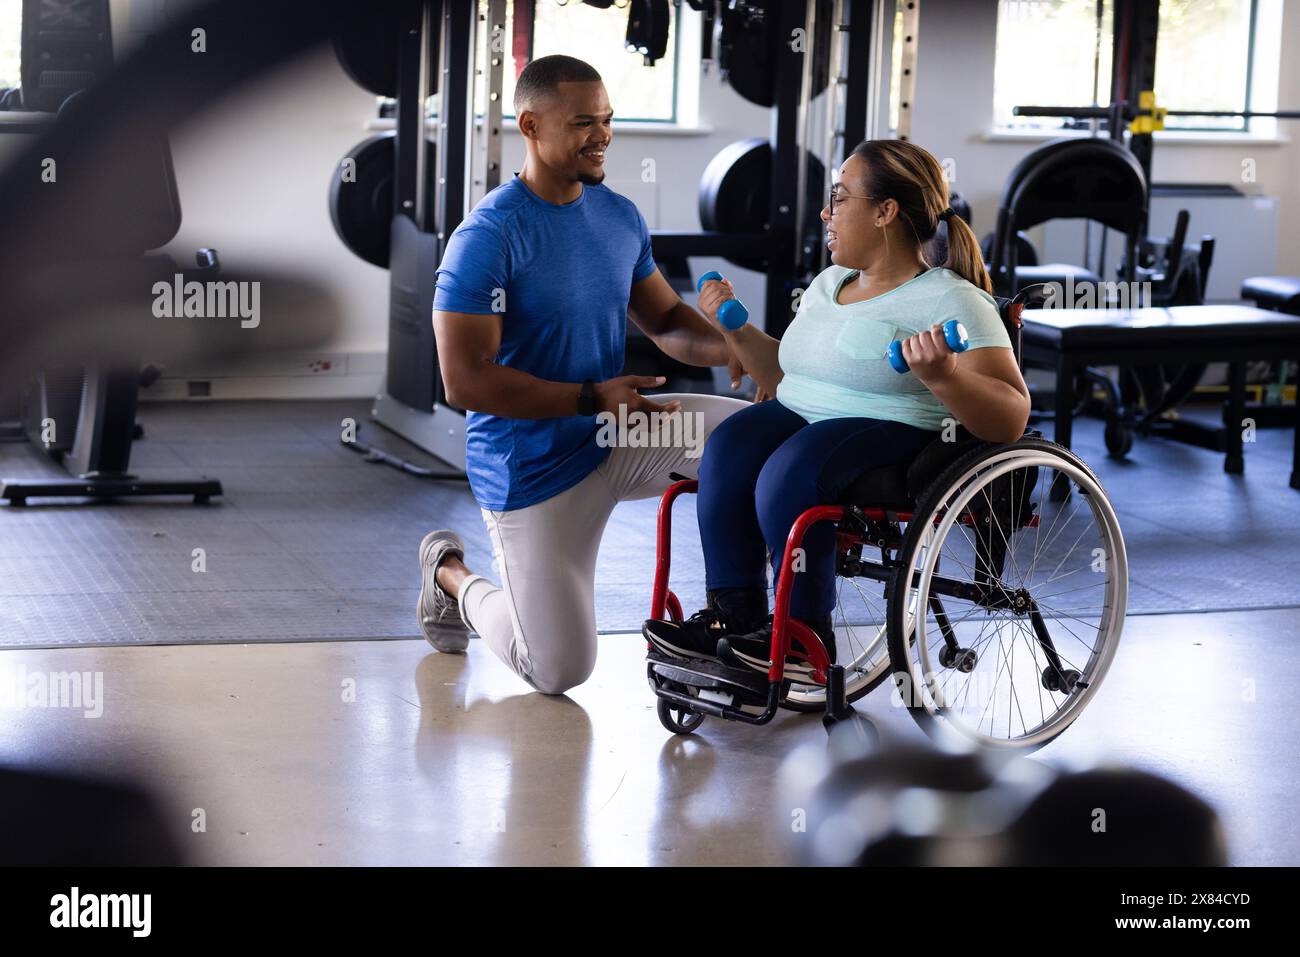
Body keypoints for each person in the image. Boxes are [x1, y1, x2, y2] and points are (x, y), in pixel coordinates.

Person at [417, 55, 750, 695]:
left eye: (607, 120)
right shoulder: (488, 236)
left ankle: (742, 628)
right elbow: (463, 380)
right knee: (558, 670)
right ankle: (450, 576)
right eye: (582, 123)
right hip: (533, 467)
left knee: (753, 442)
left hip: (616, 433)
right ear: (532, 127)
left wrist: (740, 346)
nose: (601, 136)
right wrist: (590, 396)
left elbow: (667, 321)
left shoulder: (617, 216)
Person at [643, 139, 1032, 676]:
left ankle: (804, 640)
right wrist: (734, 329)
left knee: (791, 469)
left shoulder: (952, 298)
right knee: (730, 446)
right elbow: (784, 379)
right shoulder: (829, 284)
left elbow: (1011, 416)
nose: (825, 212)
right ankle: (737, 620)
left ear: (885, 212)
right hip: (803, 417)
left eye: (839, 198)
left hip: (895, 432)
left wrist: (945, 375)